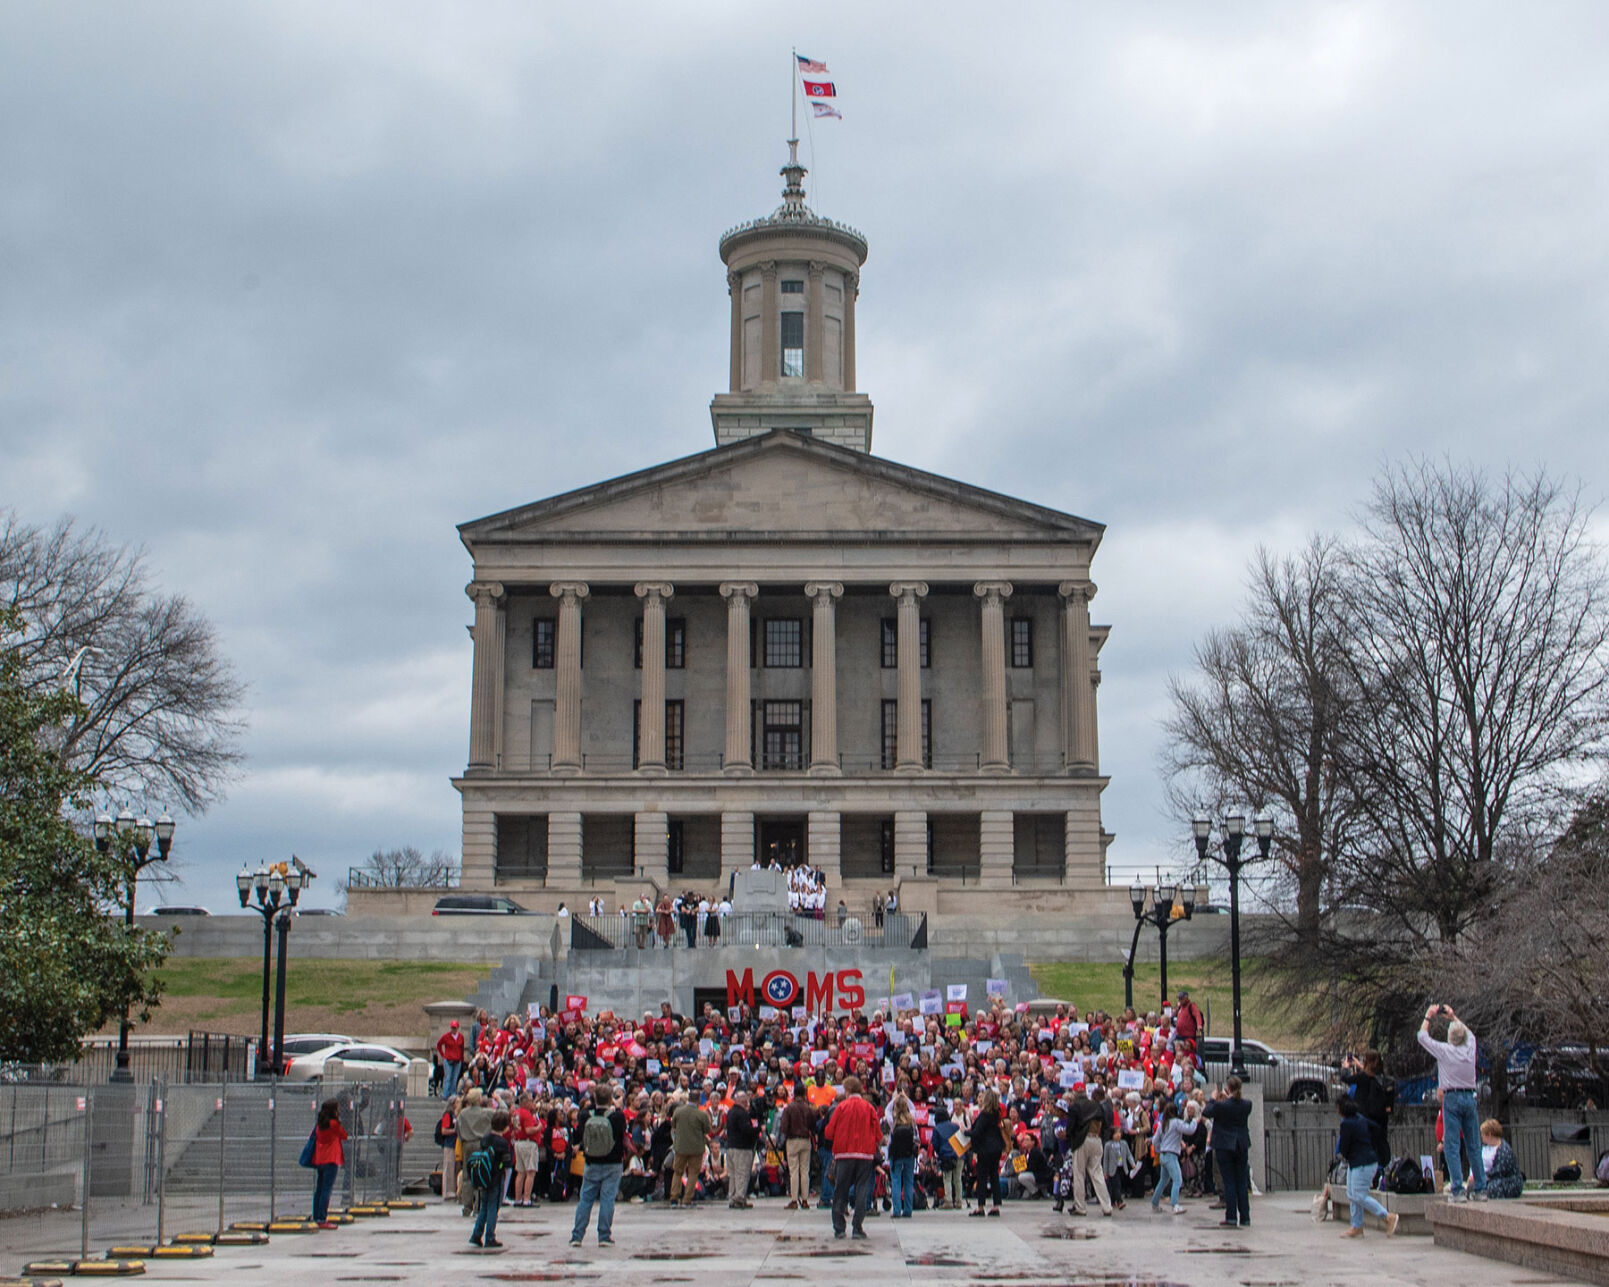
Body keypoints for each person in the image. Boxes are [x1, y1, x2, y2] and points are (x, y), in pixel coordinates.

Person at [1416, 1004, 1487, 1199]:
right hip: (1469, 1096)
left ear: (1449, 1038)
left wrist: (1429, 1016)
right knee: (1474, 1145)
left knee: (1452, 1145)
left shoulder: (1445, 1050)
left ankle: (1457, 1188)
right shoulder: (1469, 1049)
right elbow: (1470, 1034)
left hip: (1452, 1097)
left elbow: (1422, 1037)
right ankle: (1481, 1188)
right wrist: (1453, 1017)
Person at [570, 1082, 629, 1247]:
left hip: (591, 1161)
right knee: (607, 1200)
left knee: (585, 1200)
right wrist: (616, 1106)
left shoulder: (585, 1116)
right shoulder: (617, 1117)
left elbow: (581, 1134)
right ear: (610, 1099)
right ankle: (604, 1236)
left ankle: (577, 1236)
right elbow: (621, 1133)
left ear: (594, 1098)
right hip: (613, 1162)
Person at [825, 1076, 882, 1240]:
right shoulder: (869, 1108)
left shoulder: (841, 1107)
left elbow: (829, 1132)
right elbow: (878, 1134)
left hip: (844, 1154)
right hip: (865, 1154)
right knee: (862, 1190)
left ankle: (839, 1228)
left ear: (848, 1090)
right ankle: (857, 1227)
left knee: (840, 1191)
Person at [1335, 1095, 1398, 1237]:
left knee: (1358, 1195)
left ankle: (1387, 1216)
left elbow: (1344, 1146)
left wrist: (1343, 1153)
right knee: (1352, 1194)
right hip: (1361, 1160)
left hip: (1362, 1163)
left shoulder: (1346, 1124)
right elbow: (1376, 1128)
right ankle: (1356, 1225)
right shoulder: (1359, 1118)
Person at [1203, 1076, 1252, 1228]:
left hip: (1225, 1145)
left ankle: (1231, 1216)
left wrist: (1213, 1099)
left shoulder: (1221, 1106)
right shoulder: (1247, 1104)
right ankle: (1245, 1216)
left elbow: (1206, 1111)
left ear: (1228, 1088)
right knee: (1241, 1182)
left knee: (1229, 1181)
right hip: (1241, 1144)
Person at [1341, 1049, 1394, 1184]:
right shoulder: (1381, 1077)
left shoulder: (1362, 1078)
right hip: (1380, 1119)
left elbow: (1346, 1079)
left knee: (1366, 1148)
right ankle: (1382, 1175)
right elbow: (1371, 1073)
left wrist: (1345, 1068)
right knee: (1380, 1147)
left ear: (1366, 1061)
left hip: (1365, 1118)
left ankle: (1370, 1179)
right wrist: (1360, 1065)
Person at [1061, 1089, 1113, 1217]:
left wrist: (1067, 1135)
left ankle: (1080, 1207)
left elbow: (1071, 1127)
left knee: (1079, 1174)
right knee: (1097, 1173)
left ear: (1075, 1097)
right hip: (1096, 1139)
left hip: (1081, 1141)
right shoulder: (1097, 1106)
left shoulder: (1075, 1107)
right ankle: (1107, 1206)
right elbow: (1106, 1125)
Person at [470, 1109, 513, 1249]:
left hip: (484, 1176)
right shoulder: (502, 1142)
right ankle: (490, 1236)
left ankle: (476, 1234)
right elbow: (506, 1162)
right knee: (493, 1207)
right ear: (505, 1127)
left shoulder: (485, 1139)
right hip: (496, 1176)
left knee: (484, 1205)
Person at [1150, 1101, 1201, 1214]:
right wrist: (1194, 1121)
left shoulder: (1162, 1124)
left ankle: (1155, 1203)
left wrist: (1159, 1149)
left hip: (1163, 1154)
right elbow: (1190, 1130)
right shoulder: (1176, 1122)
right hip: (1172, 1155)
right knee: (1177, 1180)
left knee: (1163, 1180)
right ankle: (1175, 1205)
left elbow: (1155, 1141)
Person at [669, 1090, 714, 1207]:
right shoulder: (701, 1114)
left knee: (677, 1172)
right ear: (698, 1100)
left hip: (680, 1147)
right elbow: (707, 1130)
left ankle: (674, 1198)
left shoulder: (678, 1111)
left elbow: (673, 1125)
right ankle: (687, 1199)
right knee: (693, 1174)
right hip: (696, 1148)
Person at [968, 1088, 1007, 1217]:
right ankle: (996, 1205)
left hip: (985, 1149)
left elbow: (977, 1132)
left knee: (982, 1177)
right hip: (996, 1148)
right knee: (994, 1176)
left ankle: (980, 1206)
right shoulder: (997, 1115)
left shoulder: (984, 1115)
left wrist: (964, 1131)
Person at [457, 1088, 495, 1218]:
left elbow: (458, 1128)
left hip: (467, 1143)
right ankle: (479, 1206)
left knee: (467, 1176)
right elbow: (502, 1113)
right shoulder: (486, 1113)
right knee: (480, 1174)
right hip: (480, 1143)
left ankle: (467, 1206)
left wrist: (463, 1138)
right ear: (479, 1099)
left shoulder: (463, 1113)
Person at [311, 1098, 347, 1228]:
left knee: (319, 1189)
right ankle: (322, 1218)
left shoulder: (320, 1124)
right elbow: (344, 1135)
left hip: (320, 1159)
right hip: (331, 1159)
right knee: (327, 1189)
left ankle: (317, 1216)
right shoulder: (334, 1124)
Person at [779, 1081, 815, 1210]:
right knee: (805, 1171)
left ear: (794, 1093)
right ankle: (805, 1200)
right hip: (805, 1139)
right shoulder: (808, 1108)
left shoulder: (789, 1108)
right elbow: (813, 1125)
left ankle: (794, 1200)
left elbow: (783, 1127)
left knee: (793, 1171)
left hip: (792, 1139)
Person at [724, 1089, 758, 1208]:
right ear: (743, 1101)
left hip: (730, 1147)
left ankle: (732, 1197)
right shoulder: (742, 1114)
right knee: (742, 1173)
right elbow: (746, 1130)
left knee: (733, 1174)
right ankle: (739, 1197)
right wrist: (758, 1130)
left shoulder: (730, 1112)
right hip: (742, 1148)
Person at [888, 1094, 917, 1218]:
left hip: (896, 1153)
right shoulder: (911, 1119)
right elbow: (913, 1108)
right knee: (909, 1181)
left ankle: (896, 1210)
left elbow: (887, 1110)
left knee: (896, 1181)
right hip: (909, 1153)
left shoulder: (892, 1120)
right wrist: (905, 1097)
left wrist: (894, 1099)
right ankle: (908, 1209)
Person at [1479, 1120, 1524, 1199]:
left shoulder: (1504, 1151)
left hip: (1510, 1182)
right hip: (1493, 1179)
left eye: (1483, 1134)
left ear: (1490, 1135)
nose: (1481, 1136)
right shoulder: (1486, 1147)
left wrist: (1482, 1177)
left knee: (1493, 1187)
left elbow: (1498, 1172)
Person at [932, 1102, 963, 1209]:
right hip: (959, 1154)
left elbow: (935, 1144)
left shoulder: (937, 1128)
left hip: (946, 1156)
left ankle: (948, 1201)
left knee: (947, 1178)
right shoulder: (955, 1126)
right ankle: (959, 1201)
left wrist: (940, 1153)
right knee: (958, 1178)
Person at [434, 1096, 459, 1203]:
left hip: (456, 1144)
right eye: (457, 1102)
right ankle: (448, 1191)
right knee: (449, 1167)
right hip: (449, 1144)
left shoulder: (456, 1115)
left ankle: (455, 1190)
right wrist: (455, 1130)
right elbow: (444, 1130)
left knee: (455, 1168)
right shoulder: (447, 1115)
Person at [437, 1019, 465, 1101]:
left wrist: (461, 1058)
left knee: (455, 1078)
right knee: (448, 1077)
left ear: (457, 1028)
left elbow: (462, 1048)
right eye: (452, 1028)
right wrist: (443, 1055)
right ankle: (445, 1094)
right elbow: (439, 1044)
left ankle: (453, 1094)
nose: (453, 1029)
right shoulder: (446, 1036)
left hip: (457, 1060)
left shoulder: (461, 1037)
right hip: (448, 1059)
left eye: (455, 1028)